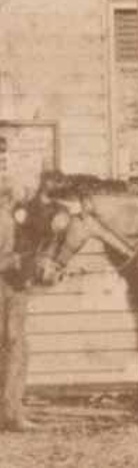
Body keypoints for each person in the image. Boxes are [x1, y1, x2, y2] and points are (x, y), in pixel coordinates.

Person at [0, 182, 34, 431]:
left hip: (11, 292)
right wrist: (20, 259)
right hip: (7, 293)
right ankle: (10, 414)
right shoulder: (4, 221)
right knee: (16, 350)